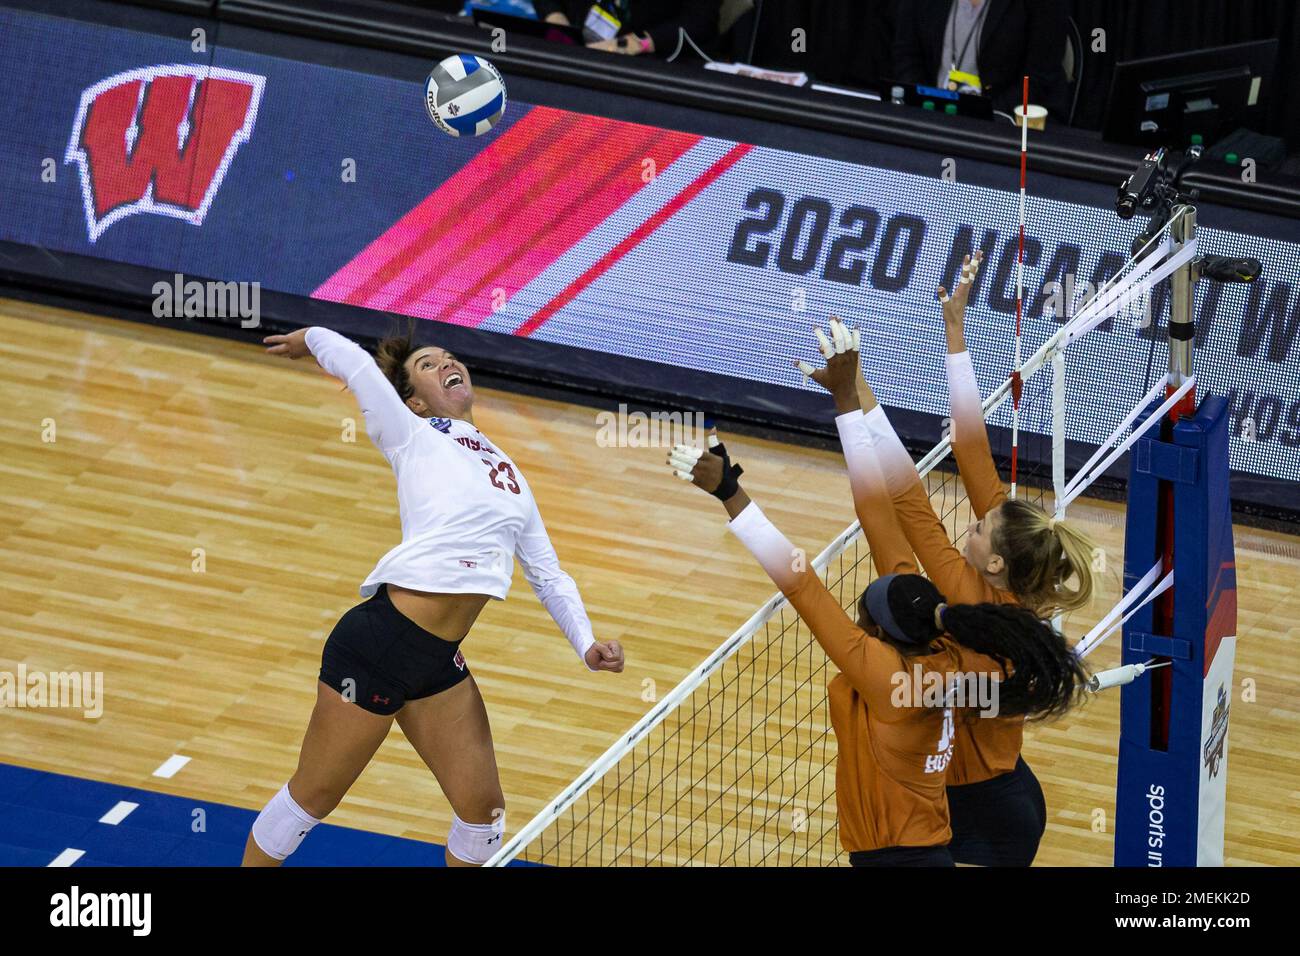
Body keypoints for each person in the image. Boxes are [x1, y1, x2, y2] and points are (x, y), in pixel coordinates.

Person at [241, 324, 624, 868]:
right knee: (314, 796)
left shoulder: (506, 470)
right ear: (414, 399)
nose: (448, 362)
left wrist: (585, 644)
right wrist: (315, 337)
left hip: (437, 662)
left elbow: (549, 575)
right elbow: (355, 364)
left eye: (450, 356)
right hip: (379, 645)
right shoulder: (409, 434)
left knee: (483, 813)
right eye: (427, 363)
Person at [667, 424, 1084, 866]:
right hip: (942, 836)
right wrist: (848, 402)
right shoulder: (946, 649)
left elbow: (802, 585)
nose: (857, 620)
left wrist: (732, 495)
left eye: (862, 613)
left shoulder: (889, 677)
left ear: (880, 634)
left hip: (940, 840)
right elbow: (878, 520)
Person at [802, 293, 1096, 865]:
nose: (975, 518)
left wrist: (851, 398)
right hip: (1002, 794)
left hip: (977, 809)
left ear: (993, 563)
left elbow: (905, 503)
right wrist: (865, 383)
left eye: (980, 525)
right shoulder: (1013, 568)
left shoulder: (960, 595)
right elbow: (969, 447)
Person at [892, 0, 1070, 121]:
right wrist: (927, 105)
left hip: (1004, 124)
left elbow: (1039, 79)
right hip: (930, 116)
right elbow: (906, 54)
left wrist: (979, 114)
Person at [534, 0, 721, 59]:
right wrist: (555, 17)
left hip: (647, 64)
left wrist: (632, 44)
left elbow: (701, 21)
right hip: (571, 53)